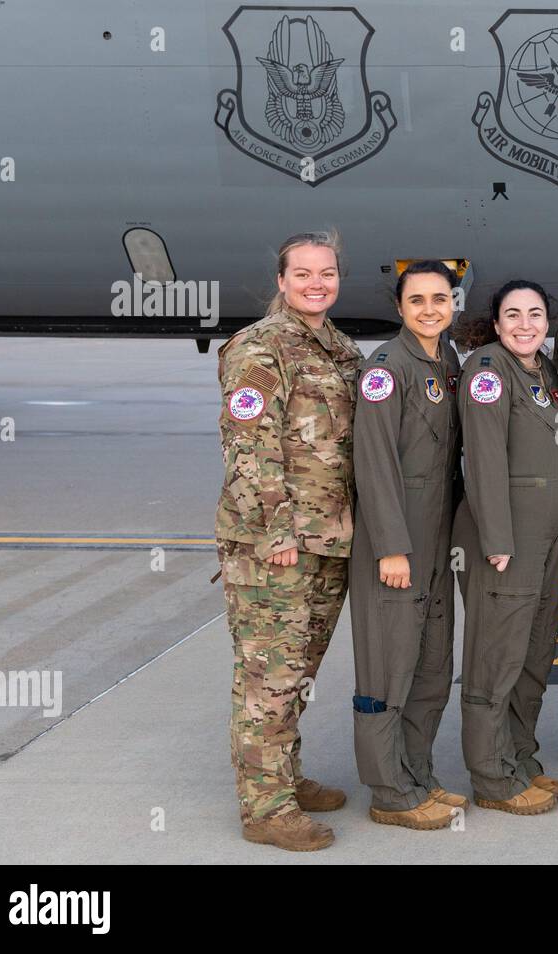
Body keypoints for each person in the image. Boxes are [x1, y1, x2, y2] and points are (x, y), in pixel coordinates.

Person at [215, 230, 363, 851]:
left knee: (298, 671)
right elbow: (249, 447)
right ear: (281, 280)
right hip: (275, 545)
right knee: (267, 675)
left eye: (325, 274)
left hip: (328, 539)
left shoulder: (341, 350)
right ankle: (265, 809)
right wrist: (275, 533)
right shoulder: (259, 348)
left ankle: (285, 776)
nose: (315, 284)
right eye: (302, 274)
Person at [350, 259, 466, 830]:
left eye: (439, 298)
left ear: (453, 304)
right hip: (396, 543)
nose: (429, 309)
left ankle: (417, 774)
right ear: (399, 308)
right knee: (387, 671)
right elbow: (373, 466)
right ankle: (388, 791)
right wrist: (391, 548)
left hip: (438, 539)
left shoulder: (446, 361)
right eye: (416, 300)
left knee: (431, 667)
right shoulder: (384, 369)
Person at [454, 280, 558, 814]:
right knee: (496, 657)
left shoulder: (543, 369)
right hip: (507, 541)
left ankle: (519, 757)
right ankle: (491, 777)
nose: (525, 324)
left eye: (535, 314)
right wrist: (496, 538)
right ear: (496, 323)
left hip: (545, 539)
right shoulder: (487, 370)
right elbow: (482, 458)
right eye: (513, 315)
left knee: (533, 654)